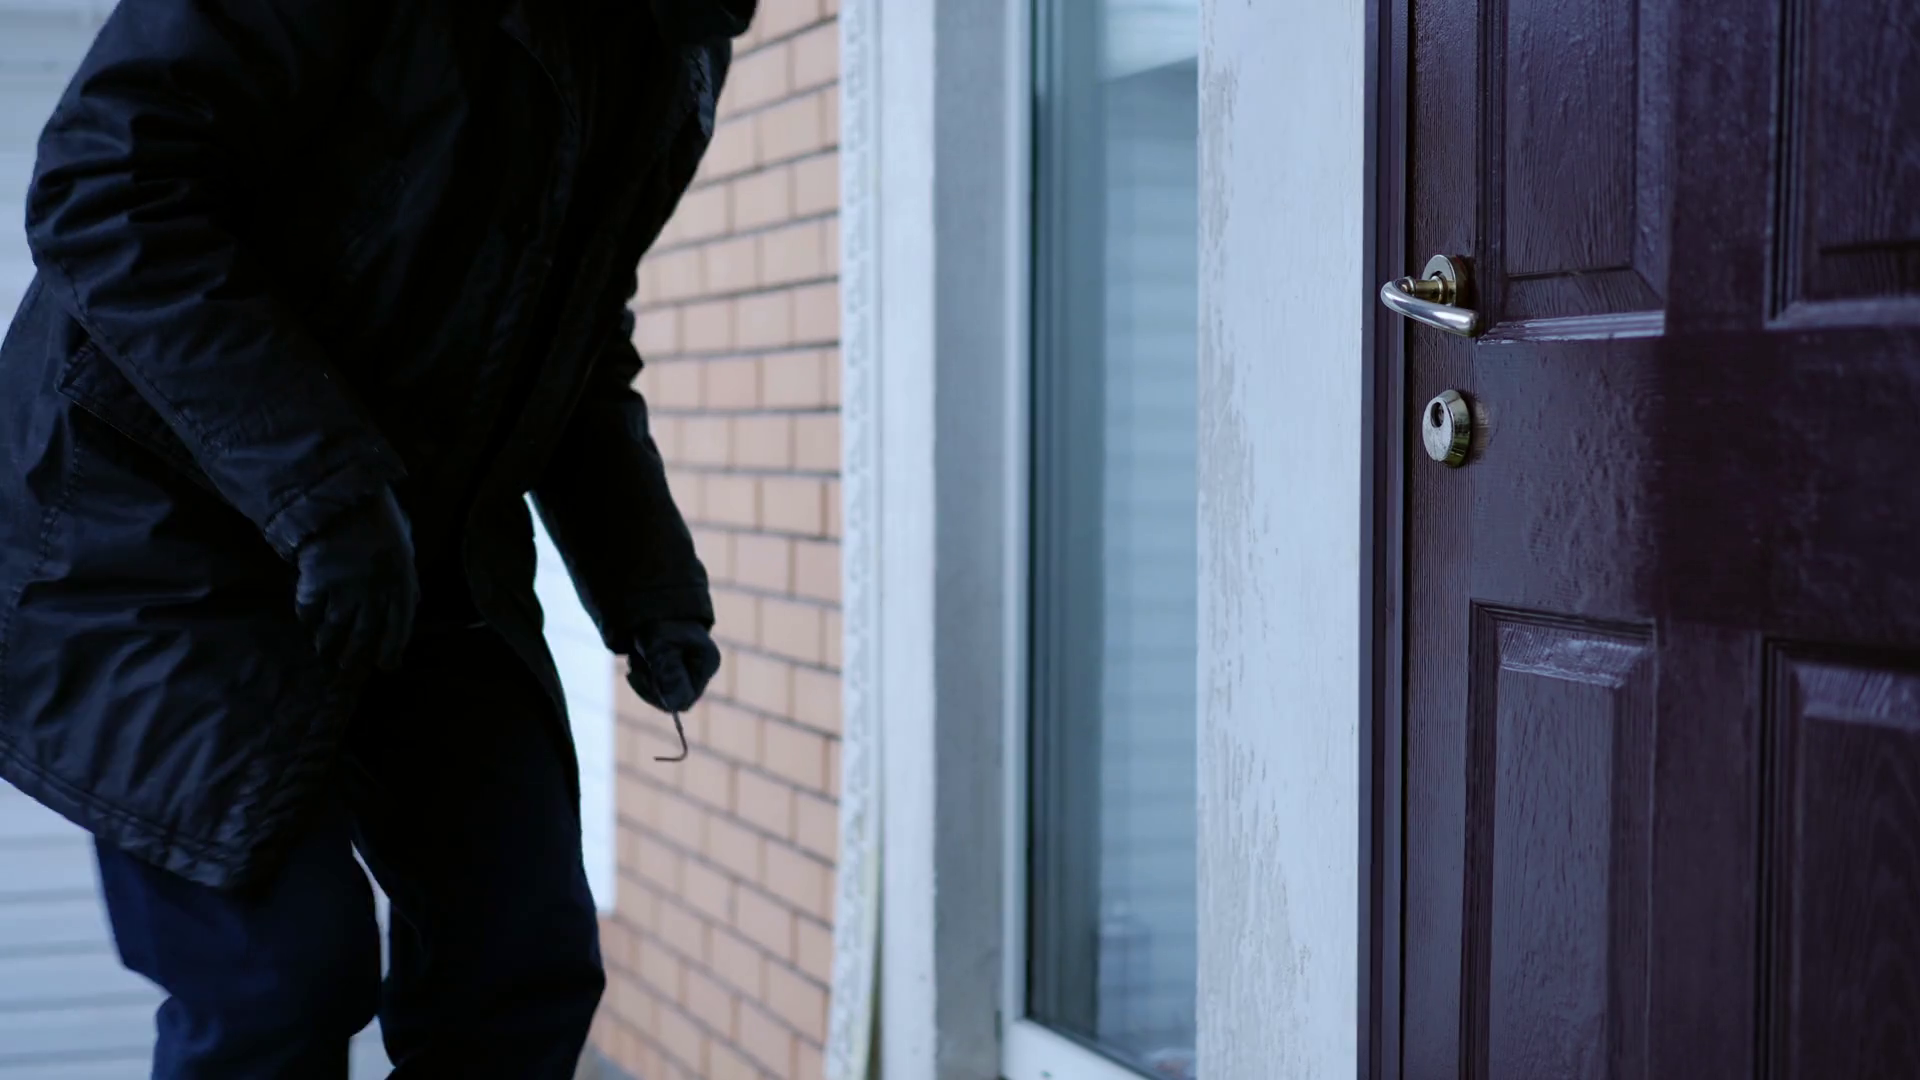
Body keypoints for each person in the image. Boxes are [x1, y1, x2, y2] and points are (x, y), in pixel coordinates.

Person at [0, 0, 746, 1074]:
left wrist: (645, 574)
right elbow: (107, 185)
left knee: (518, 956)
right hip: (156, 530)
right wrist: (322, 486)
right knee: (278, 978)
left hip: (419, 544)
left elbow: (572, 328)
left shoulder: (672, 45)